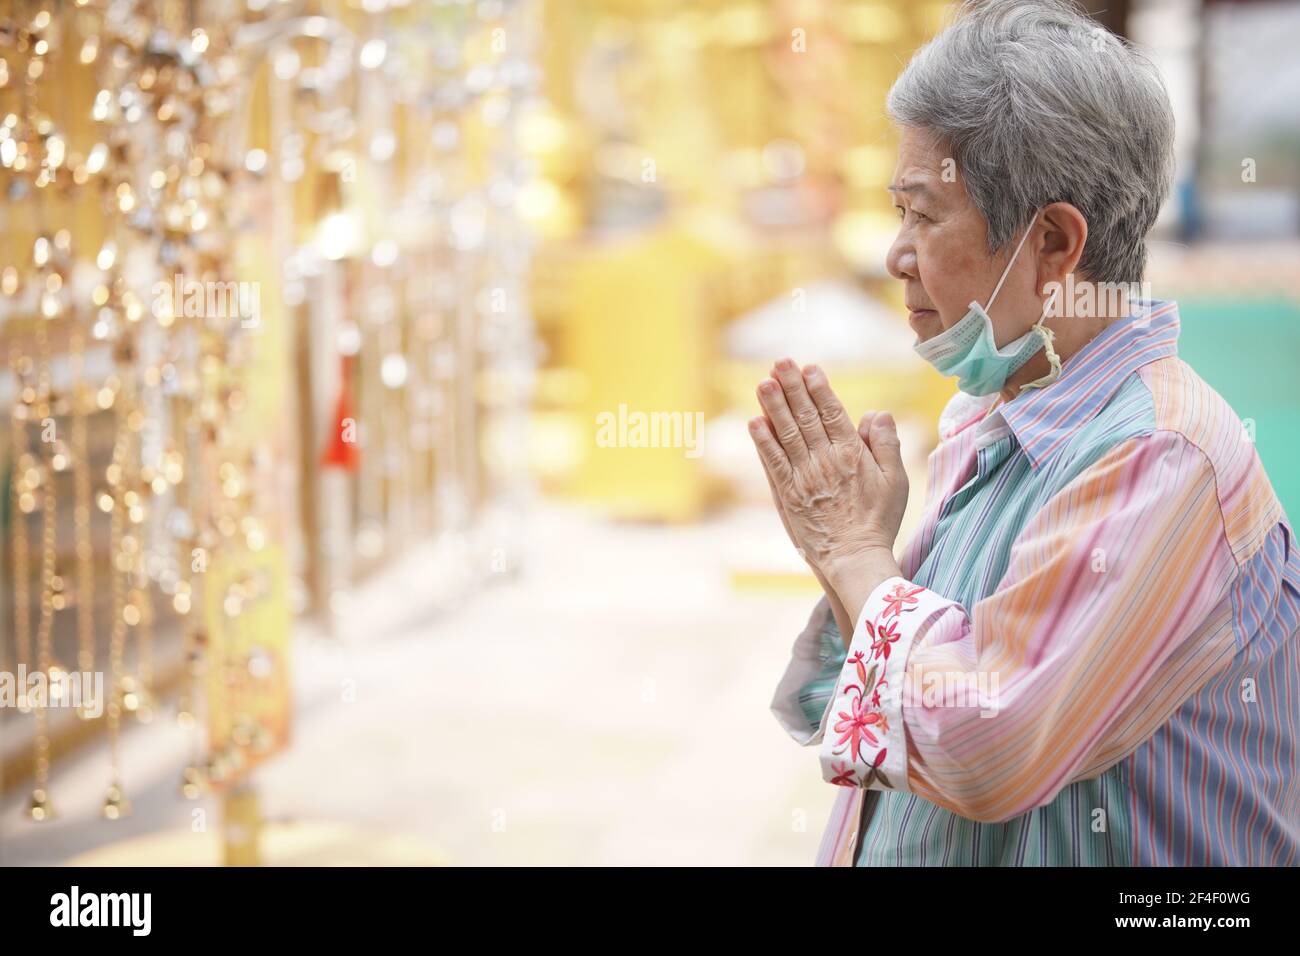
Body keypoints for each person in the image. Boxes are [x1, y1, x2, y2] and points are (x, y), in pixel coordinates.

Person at [750, 0, 1298, 865]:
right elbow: (843, 709)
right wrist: (849, 549)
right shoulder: (996, 406)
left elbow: (982, 745)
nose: (896, 253)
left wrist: (858, 555)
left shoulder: (1156, 454)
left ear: (1052, 242)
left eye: (924, 215)